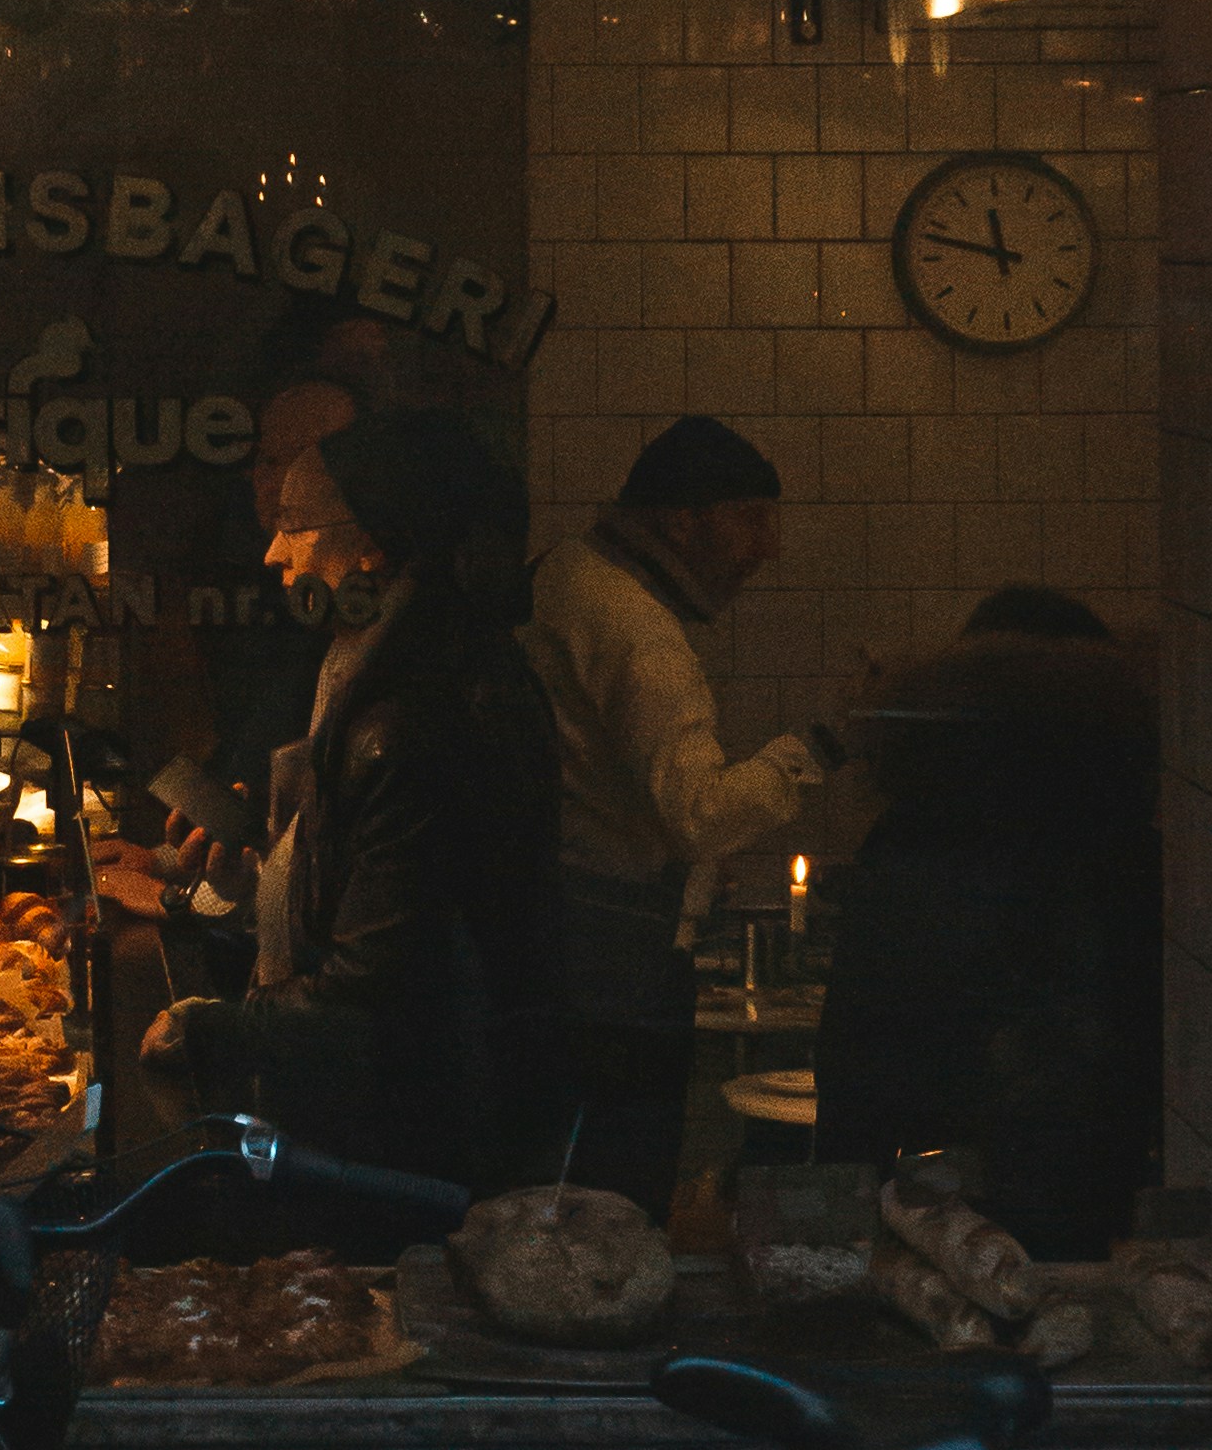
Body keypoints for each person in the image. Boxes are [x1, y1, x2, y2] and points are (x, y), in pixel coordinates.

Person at [138, 407, 560, 1176]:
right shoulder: (374, 668)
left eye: (294, 526)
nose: (273, 552)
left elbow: (375, 993)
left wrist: (211, 1028)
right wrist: (245, 887)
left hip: (405, 1143)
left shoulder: (407, 720)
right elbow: (363, 909)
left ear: (370, 545)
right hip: (400, 1116)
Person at [518, 414, 839, 1223]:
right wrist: (826, 745)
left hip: (551, 932)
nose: (769, 548)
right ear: (681, 521)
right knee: (619, 1196)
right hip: (612, 958)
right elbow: (698, 814)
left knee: (556, 1186)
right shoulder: (636, 627)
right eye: (751, 519)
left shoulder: (562, 572)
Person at [814, 586, 1162, 1258]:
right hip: (1087, 1182)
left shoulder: (914, 833)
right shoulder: (1121, 846)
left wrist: (844, 1216)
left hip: (932, 1192)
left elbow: (857, 1048)